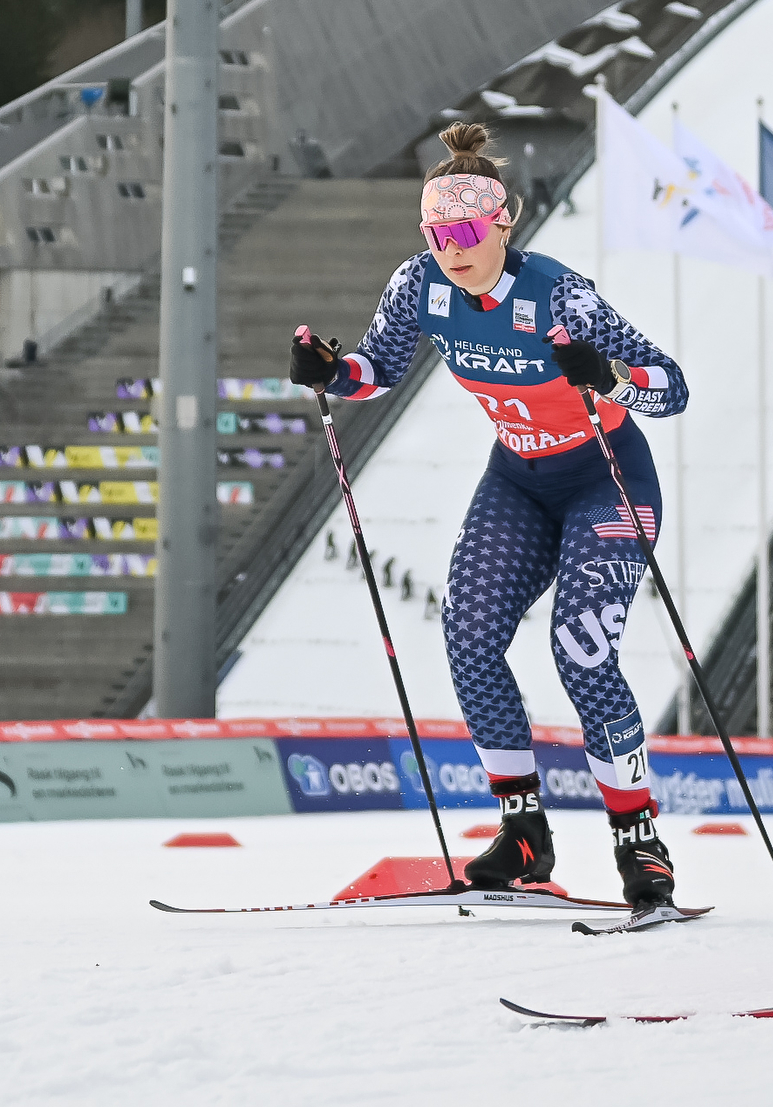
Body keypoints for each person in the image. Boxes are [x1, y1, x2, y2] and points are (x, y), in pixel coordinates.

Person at [292, 122, 691, 913]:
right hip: (518, 480)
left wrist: (610, 375)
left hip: (606, 481)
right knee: (470, 639)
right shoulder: (418, 285)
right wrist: (331, 372)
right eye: (438, 235)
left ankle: (638, 837)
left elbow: (670, 387)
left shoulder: (559, 295)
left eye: (469, 232)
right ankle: (523, 832)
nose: (453, 249)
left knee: (581, 652)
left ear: (504, 225)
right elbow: (379, 369)